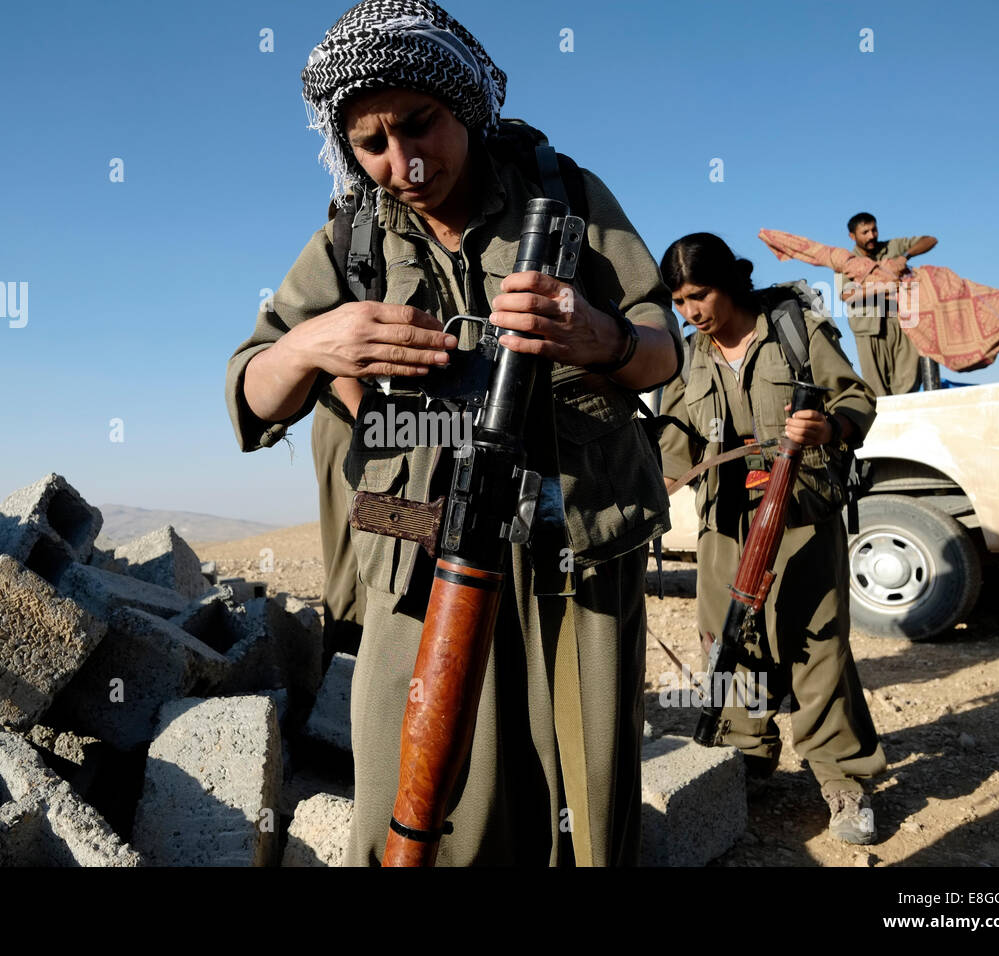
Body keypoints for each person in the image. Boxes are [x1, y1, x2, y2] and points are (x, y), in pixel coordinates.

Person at [225, 0, 682, 865]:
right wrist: (313, 343)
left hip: (574, 532)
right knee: (416, 811)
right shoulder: (349, 236)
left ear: (461, 104)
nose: (403, 163)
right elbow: (253, 388)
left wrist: (602, 337)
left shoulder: (567, 193)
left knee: (590, 806)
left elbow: (665, 352)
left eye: (420, 126)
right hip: (417, 546)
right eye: (372, 144)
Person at [657, 233, 888, 845]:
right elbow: (674, 441)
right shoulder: (689, 355)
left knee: (817, 646)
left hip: (801, 516)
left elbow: (857, 400)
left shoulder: (795, 330)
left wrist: (830, 425)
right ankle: (746, 756)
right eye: (680, 301)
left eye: (699, 295)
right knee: (730, 644)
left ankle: (842, 780)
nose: (692, 311)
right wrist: (642, 497)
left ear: (728, 282)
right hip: (726, 526)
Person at [836, 212, 938, 396]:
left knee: (908, 384)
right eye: (865, 232)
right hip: (868, 331)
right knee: (878, 393)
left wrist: (904, 256)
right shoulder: (846, 260)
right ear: (852, 236)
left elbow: (930, 240)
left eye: (874, 230)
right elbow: (846, 294)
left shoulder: (893, 247)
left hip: (901, 325)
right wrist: (882, 287)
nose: (871, 235)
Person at [312, 377, 367, 661]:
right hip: (353, 412)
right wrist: (368, 418)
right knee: (354, 563)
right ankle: (340, 692)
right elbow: (337, 341)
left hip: (406, 417)